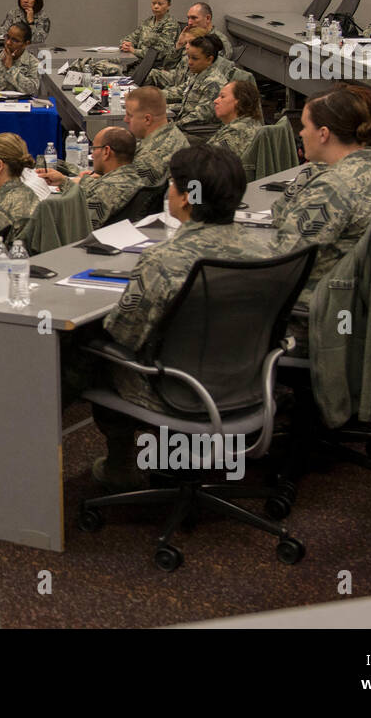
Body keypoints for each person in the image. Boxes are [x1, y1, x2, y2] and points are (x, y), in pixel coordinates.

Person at [63, 146, 271, 489]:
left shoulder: (163, 260)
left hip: (178, 389)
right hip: (247, 381)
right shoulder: (265, 249)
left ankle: (117, 467)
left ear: (187, 198)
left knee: (82, 349)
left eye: (172, 185)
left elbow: (123, 335)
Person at [271, 85, 371, 308]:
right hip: (356, 302)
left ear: (323, 134)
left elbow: (283, 262)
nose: (300, 134)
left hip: (313, 306)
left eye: (304, 126)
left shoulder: (333, 187)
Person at [37, 126, 142, 229]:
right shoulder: (129, 177)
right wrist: (63, 181)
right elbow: (93, 189)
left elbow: (77, 224)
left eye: (94, 149)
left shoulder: (109, 188)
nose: (92, 156)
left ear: (106, 151)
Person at [122, 86, 189, 186]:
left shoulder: (153, 156)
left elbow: (122, 190)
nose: (125, 120)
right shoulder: (170, 132)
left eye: (129, 115)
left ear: (147, 119)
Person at [162, 35, 227, 134]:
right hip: (185, 126)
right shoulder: (198, 74)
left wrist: (171, 126)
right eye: (189, 57)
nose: (190, 63)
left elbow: (200, 116)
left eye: (195, 59)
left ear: (209, 59)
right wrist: (152, 96)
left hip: (198, 133)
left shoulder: (214, 82)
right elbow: (179, 91)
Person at [119, 0, 182, 68]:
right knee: (102, 65)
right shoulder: (148, 22)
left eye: (160, 4)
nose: (156, 6)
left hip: (155, 68)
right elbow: (132, 37)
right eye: (153, 3)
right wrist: (126, 44)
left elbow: (160, 53)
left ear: (168, 5)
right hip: (138, 62)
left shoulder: (170, 25)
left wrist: (134, 51)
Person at [207, 77, 264, 160]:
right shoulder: (248, 122)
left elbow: (205, 163)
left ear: (239, 101)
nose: (215, 101)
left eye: (222, 97)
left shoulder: (236, 131)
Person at [0, 22, 41, 96]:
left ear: (26, 44)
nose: (8, 43)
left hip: (21, 104)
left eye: (15, 40)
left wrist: (11, 68)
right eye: (7, 37)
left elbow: (31, 90)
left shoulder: (33, 63)